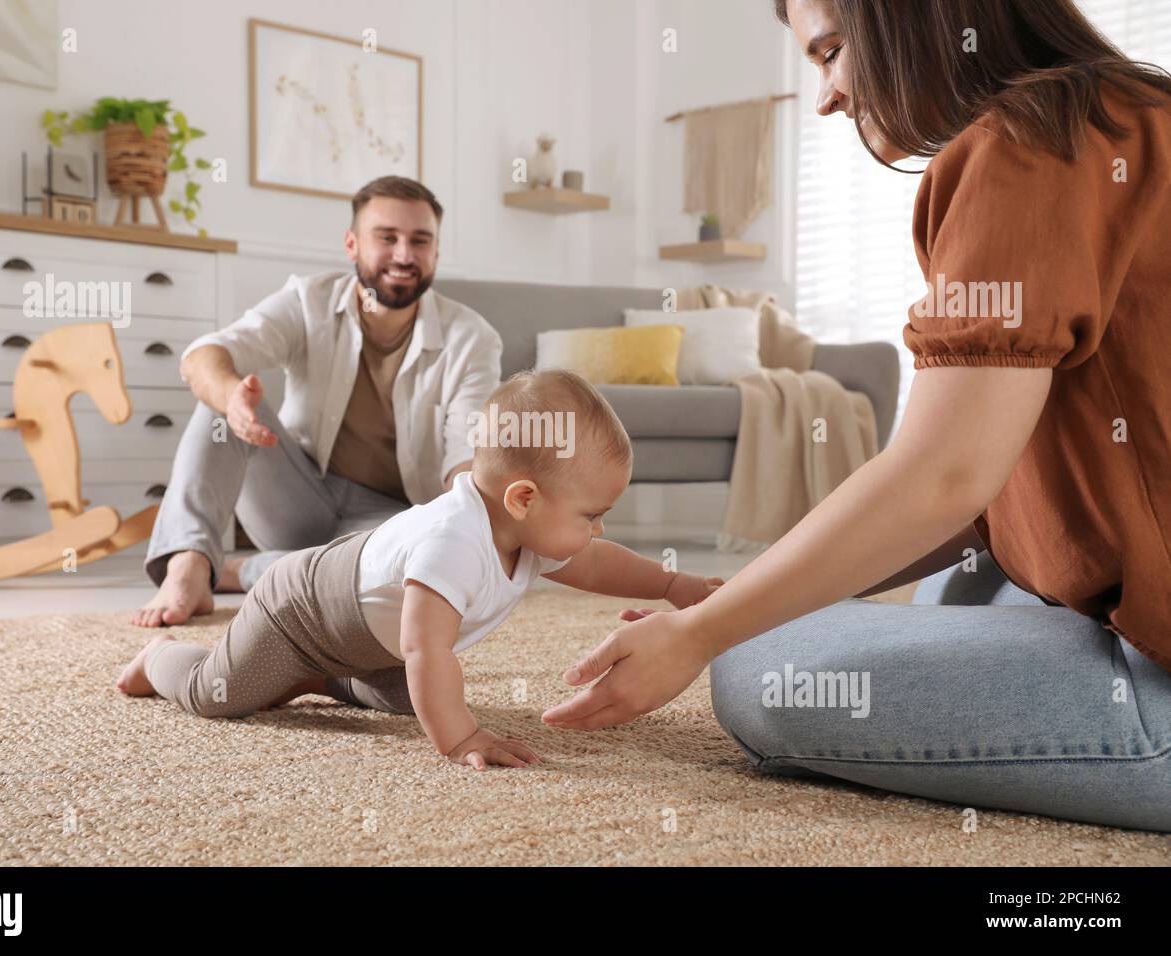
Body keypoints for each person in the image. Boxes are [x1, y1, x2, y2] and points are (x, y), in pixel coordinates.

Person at [542, 0, 1171, 832]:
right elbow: (983, 498)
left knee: (763, 668)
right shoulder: (1136, 115)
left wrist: (702, 636)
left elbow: (942, 476)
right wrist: (743, 595)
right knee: (952, 585)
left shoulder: (1027, 144)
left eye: (832, 52)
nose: (828, 97)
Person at [117, 370, 724, 770]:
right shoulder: (452, 542)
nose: (598, 530)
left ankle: (315, 679)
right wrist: (460, 739)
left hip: (365, 644)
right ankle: (164, 658)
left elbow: (595, 565)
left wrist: (673, 584)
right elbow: (426, 649)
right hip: (297, 613)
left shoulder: (529, 526)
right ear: (523, 498)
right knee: (221, 696)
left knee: (413, 699)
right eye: (593, 514)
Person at [134, 176, 503, 628]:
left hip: (387, 517)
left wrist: (461, 539)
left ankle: (246, 569)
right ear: (352, 244)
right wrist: (232, 397)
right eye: (386, 238)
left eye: (419, 241)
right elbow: (204, 355)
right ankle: (188, 563)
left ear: (436, 253)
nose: (404, 255)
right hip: (297, 494)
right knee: (219, 402)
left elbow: (466, 456)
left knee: (404, 577)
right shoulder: (307, 300)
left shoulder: (472, 338)